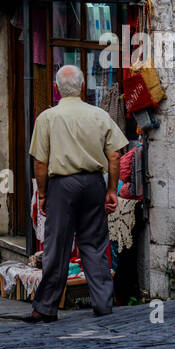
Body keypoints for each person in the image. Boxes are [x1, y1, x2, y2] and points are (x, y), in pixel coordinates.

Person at [27, 63, 129, 322]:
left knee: (57, 246)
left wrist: (42, 194)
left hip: (62, 186)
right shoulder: (99, 115)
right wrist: (110, 190)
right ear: (83, 87)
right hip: (93, 183)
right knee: (94, 245)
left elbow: (40, 162)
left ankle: (46, 307)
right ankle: (103, 304)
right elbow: (115, 155)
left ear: (56, 89)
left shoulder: (47, 118)